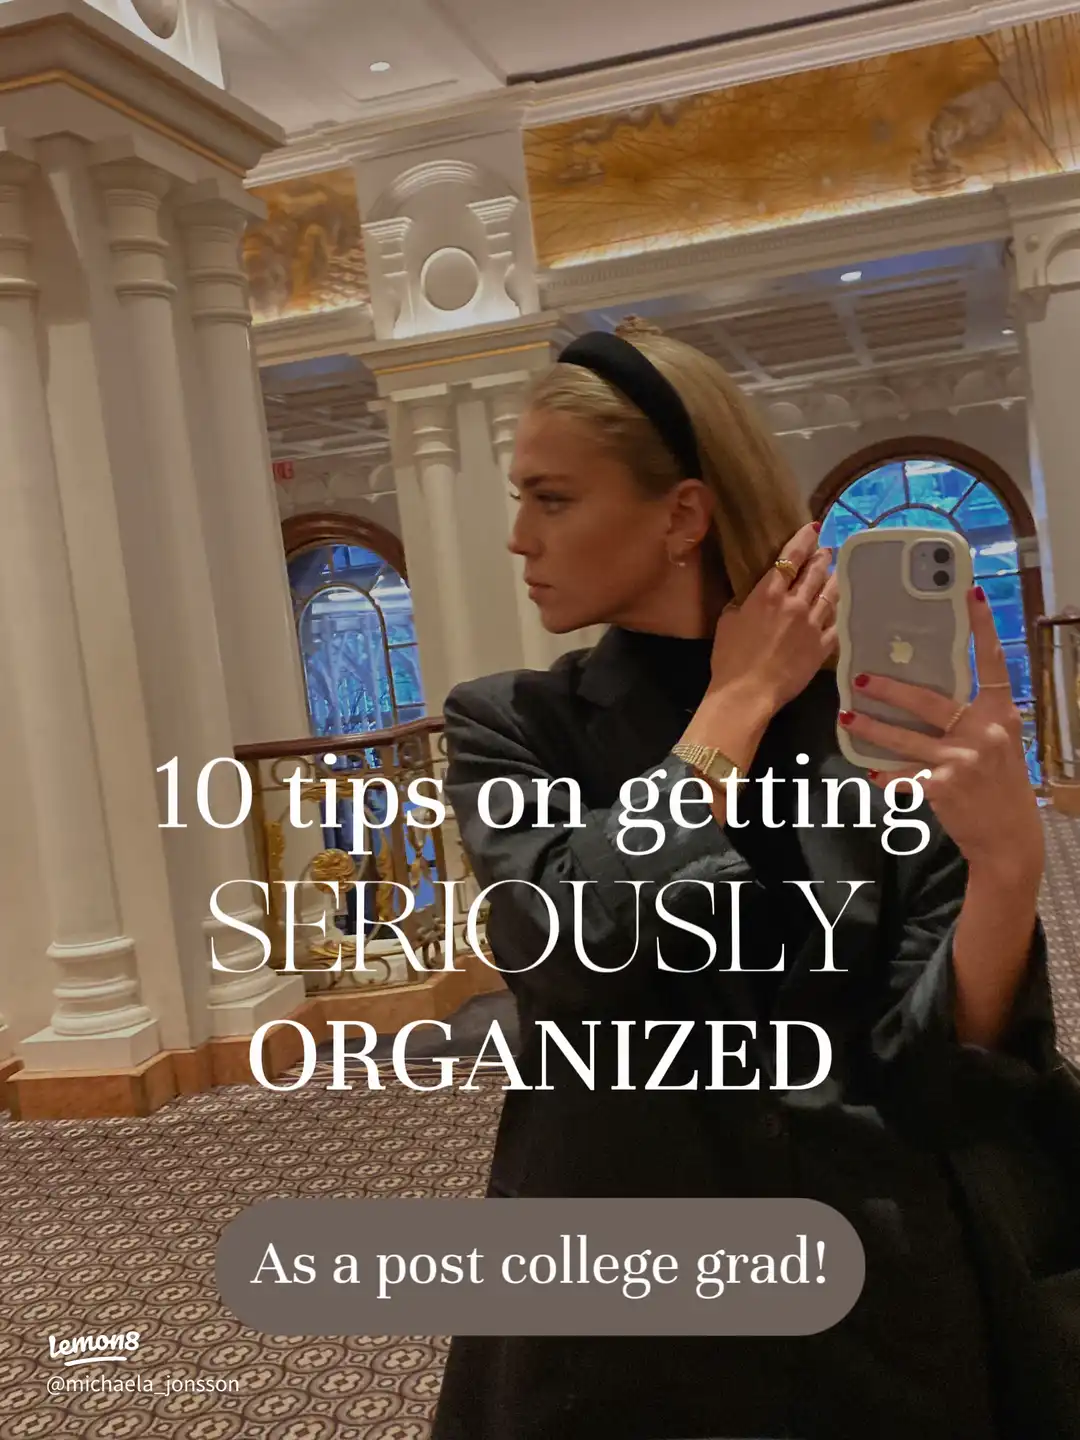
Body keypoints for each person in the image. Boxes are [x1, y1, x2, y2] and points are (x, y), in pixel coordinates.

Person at [431, 320, 1056, 1440]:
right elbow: (570, 952)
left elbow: (938, 1075)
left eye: (553, 498)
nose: (518, 538)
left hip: (875, 1290)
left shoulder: (876, 734)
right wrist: (734, 706)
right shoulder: (513, 724)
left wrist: (1008, 868)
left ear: (681, 513)